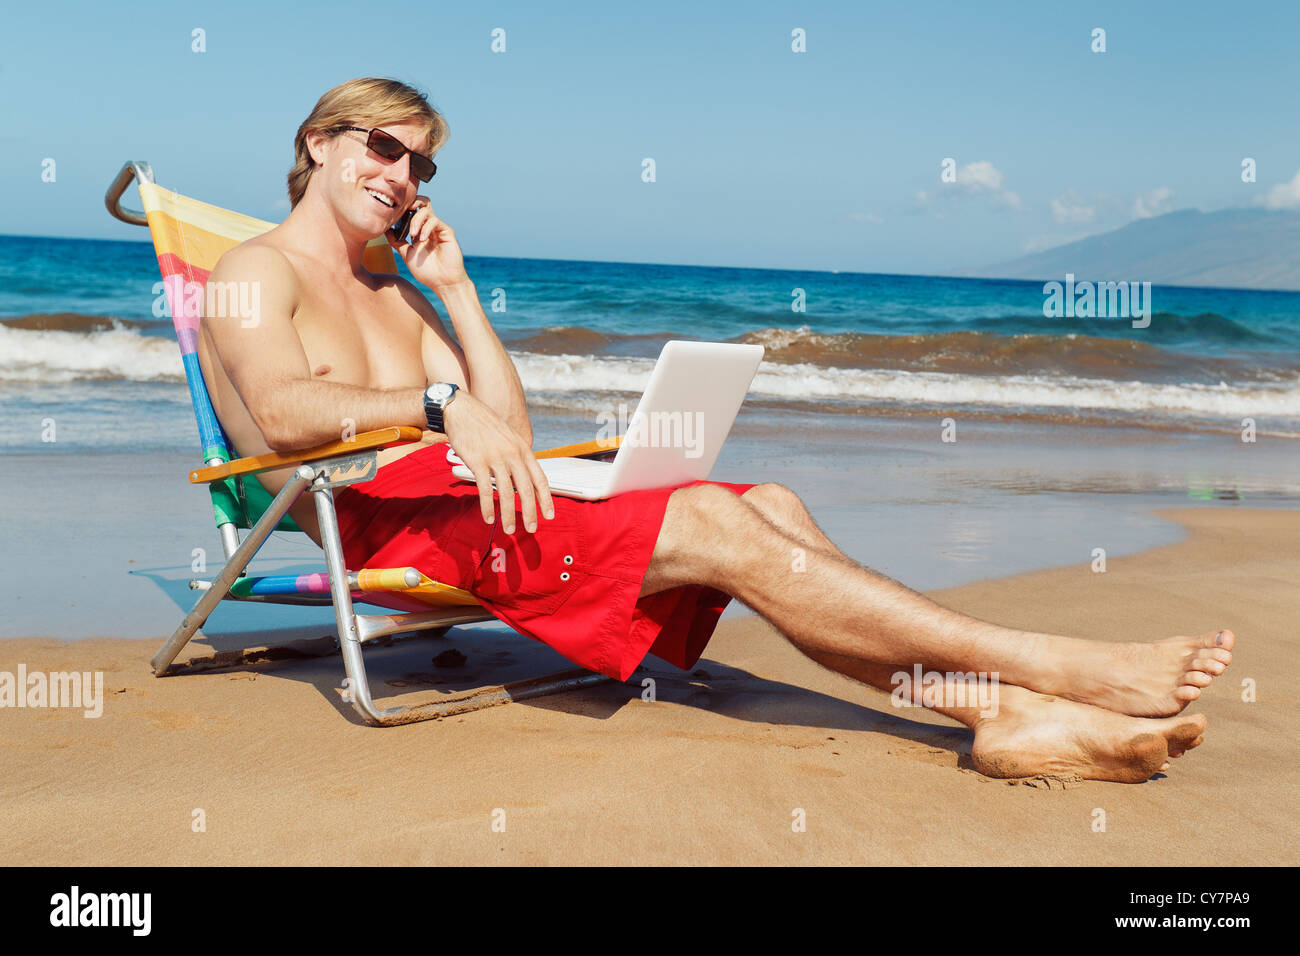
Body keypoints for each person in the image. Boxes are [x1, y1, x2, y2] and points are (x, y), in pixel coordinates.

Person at [198, 78, 1233, 783]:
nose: (402, 178)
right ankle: (1059, 668)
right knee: (708, 516)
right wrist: (434, 404)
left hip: (478, 500)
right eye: (383, 148)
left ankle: (997, 713)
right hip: (379, 523)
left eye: (421, 166)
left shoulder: (397, 295)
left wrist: (458, 295)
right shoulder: (253, 270)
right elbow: (285, 414)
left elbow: (506, 426)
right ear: (318, 142)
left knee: (767, 503)